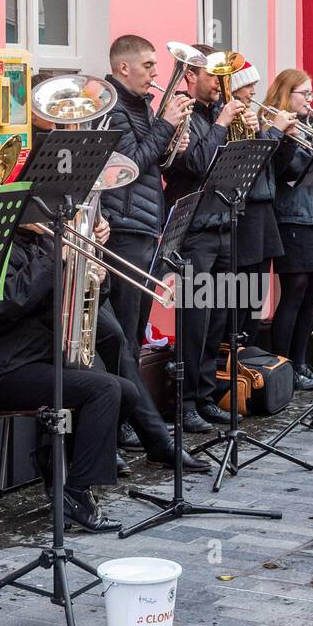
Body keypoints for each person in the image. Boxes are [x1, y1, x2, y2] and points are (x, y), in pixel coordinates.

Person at [0, 225, 142, 532]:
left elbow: (72, 302)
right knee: (103, 390)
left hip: (42, 360)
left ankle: (56, 466)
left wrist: (97, 280)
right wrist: (58, 256)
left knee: (127, 392)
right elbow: (8, 302)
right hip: (6, 369)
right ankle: (76, 495)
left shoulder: (41, 245)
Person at [100, 35, 192, 448]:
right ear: (124, 68)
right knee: (122, 334)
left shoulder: (139, 106)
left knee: (135, 332)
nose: (157, 74)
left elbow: (154, 161)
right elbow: (129, 165)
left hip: (144, 223)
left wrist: (171, 144)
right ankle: (119, 424)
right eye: (149, 66)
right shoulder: (113, 109)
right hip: (122, 229)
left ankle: (127, 420)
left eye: (157, 66)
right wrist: (166, 125)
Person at [162, 44, 248, 433]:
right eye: (214, 75)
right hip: (195, 229)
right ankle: (185, 404)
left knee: (218, 317)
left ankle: (207, 394)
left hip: (224, 223)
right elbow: (194, 164)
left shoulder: (217, 112)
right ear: (190, 76)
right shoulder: (184, 115)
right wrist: (220, 124)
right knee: (194, 319)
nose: (221, 83)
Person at [266, 69, 313, 389]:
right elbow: (291, 169)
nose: (310, 100)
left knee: (310, 295)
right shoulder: (278, 125)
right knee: (293, 295)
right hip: (292, 218)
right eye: (304, 94)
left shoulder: (307, 125)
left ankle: (300, 361)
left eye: (312, 94)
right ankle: (283, 366)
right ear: (287, 93)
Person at [227, 59, 284, 344]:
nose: (253, 91)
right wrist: (271, 134)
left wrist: (263, 133)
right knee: (241, 292)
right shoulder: (226, 118)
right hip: (245, 213)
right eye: (248, 85)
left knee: (257, 291)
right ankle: (234, 353)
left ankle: (248, 351)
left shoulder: (252, 118)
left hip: (263, 212)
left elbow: (271, 168)